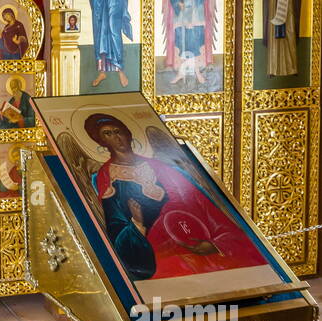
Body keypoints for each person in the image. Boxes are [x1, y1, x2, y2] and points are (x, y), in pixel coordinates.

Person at [83, 112, 267, 282]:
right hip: (156, 251)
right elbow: (115, 224)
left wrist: (216, 244)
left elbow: (202, 206)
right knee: (178, 272)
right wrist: (137, 223)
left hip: (193, 235)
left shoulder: (162, 167)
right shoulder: (107, 176)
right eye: (107, 134)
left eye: (118, 131)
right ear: (101, 141)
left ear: (128, 133)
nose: (116, 137)